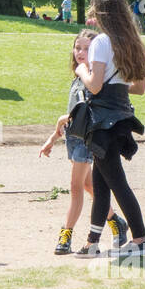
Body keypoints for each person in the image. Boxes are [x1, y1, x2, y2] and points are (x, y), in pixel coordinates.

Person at [74, 0, 145, 253]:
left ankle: (141, 239)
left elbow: (94, 86)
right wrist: (116, 86)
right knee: (101, 180)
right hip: (121, 117)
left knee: (116, 181)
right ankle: (92, 241)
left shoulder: (101, 42)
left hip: (101, 120)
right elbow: (138, 88)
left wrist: (82, 70)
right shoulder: (134, 41)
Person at [38, 29, 127, 255]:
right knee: (89, 186)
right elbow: (72, 114)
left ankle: (65, 235)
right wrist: (53, 137)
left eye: (87, 49)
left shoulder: (92, 78)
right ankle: (116, 221)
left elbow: (82, 113)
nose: (81, 52)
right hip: (74, 139)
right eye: (78, 47)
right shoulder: (79, 77)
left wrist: (60, 121)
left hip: (86, 141)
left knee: (76, 188)